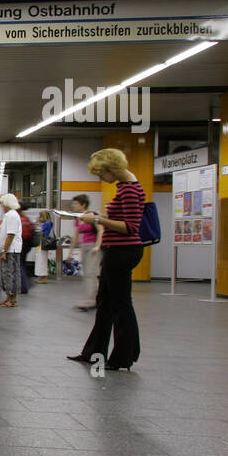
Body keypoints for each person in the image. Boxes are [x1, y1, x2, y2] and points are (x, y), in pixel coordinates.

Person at [69, 149, 145, 371]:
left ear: (112, 169)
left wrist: (99, 218)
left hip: (123, 252)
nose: (100, 178)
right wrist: (100, 217)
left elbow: (130, 227)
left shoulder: (130, 190)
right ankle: (94, 352)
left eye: (102, 173)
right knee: (105, 303)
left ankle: (123, 356)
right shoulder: (126, 187)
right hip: (117, 251)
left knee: (121, 305)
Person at [66, 194, 101, 309]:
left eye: (76, 204)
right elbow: (76, 235)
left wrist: (97, 246)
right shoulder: (78, 217)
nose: (74, 206)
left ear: (83, 205)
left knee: (91, 273)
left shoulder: (91, 216)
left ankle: (91, 300)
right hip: (84, 246)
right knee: (86, 274)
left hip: (93, 246)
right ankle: (92, 298)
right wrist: (71, 252)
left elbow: (101, 231)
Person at [0, 193, 23, 308]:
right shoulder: (9, 215)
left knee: (10, 273)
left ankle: (13, 299)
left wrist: (4, 250)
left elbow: (10, 235)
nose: (1, 206)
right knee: (6, 273)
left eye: (2, 203)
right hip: (8, 249)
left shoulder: (12, 215)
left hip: (11, 250)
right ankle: (8, 297)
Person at [34, 211, 53, 282]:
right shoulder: (48, 223)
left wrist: (37, 222)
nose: (39, 218)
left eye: (40, 216)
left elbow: (39, 230)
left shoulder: (46, 223)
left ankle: (44, 277)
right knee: (41, 259)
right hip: (42, 243)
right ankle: (42, 276)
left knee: (41, 260)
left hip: (42, 242)